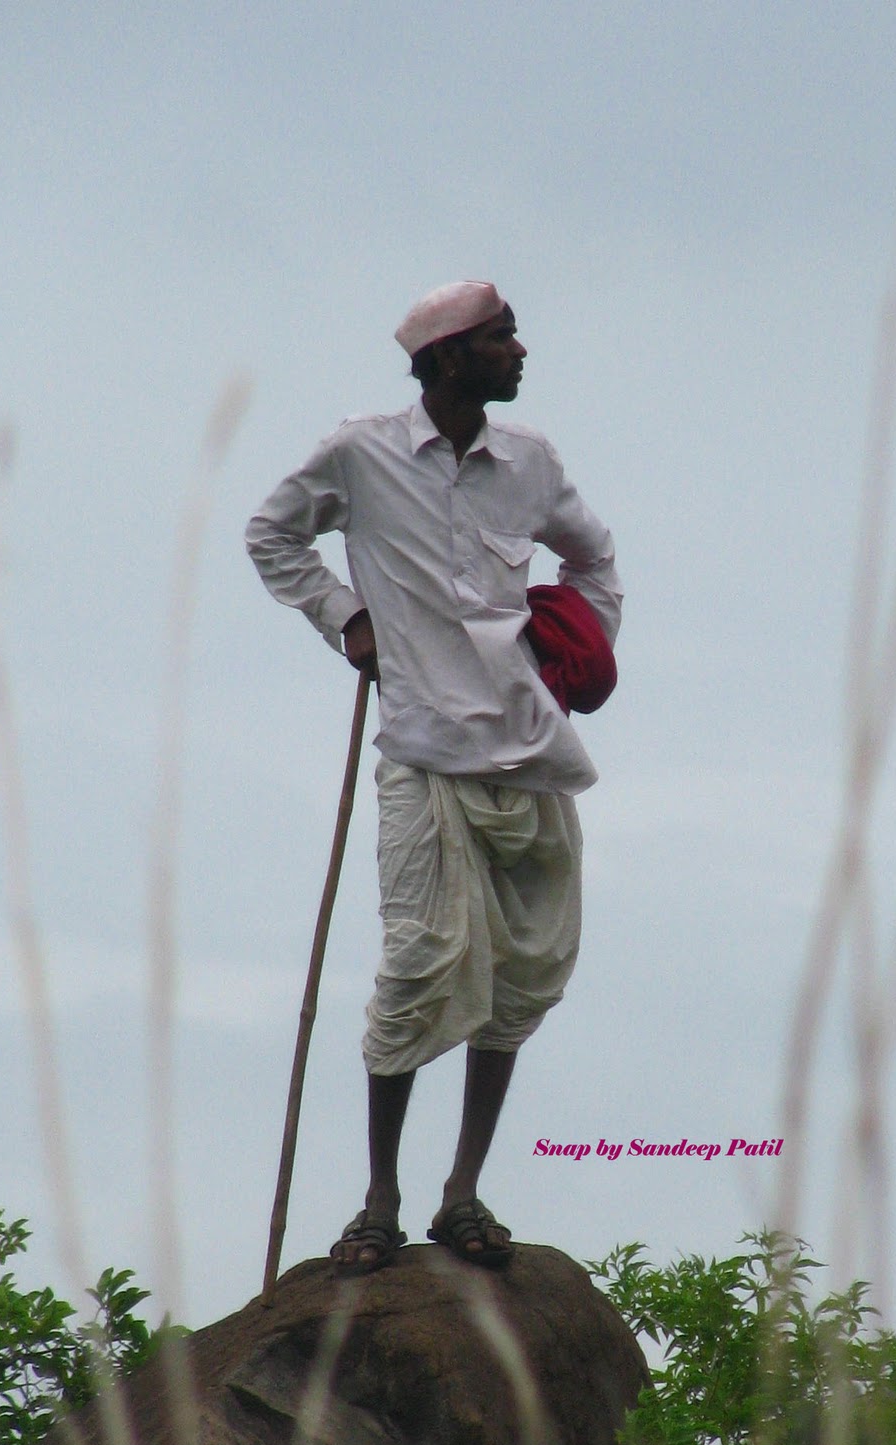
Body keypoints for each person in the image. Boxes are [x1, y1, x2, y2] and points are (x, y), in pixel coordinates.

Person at [246, 281, 622, 1274]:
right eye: (501, 339)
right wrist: (346, 617)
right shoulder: (361, 453)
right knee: (419, 966)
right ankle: (379, 1200)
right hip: (422, 755)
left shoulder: (530, 463)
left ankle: (461, 1194)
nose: (520, 350)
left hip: (531, 755)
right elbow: (272, 532)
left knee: (518, 972)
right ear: (450, 356)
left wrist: (576, 650)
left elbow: (594, 559)